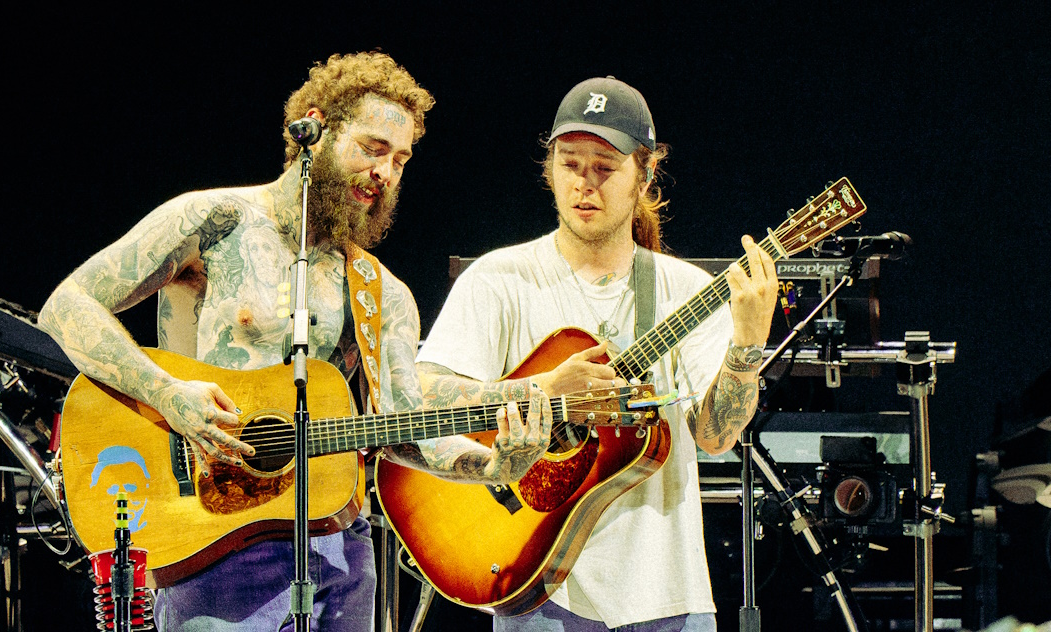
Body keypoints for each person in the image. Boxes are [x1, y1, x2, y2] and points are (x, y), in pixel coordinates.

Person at [38, 51, 551, 632]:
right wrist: (167, 394)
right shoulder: (213, 220)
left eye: (401, 160)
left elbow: (403, 428)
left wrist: (495, 464)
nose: (386, 173)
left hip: (338, 552)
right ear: (314, 128)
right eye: (373, 148)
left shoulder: (383, 292)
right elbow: (68, 305)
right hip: (214, 545)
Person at [415, 76, 779, 631]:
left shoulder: (683, 289)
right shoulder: (499, 278)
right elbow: (421, 398)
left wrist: (748, 346)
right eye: (570, 164)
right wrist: (542, 393)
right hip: (535, 586)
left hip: (668, 596)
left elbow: (715, 435)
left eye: (605, 168)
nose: (585, 185)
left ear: (646, 172)